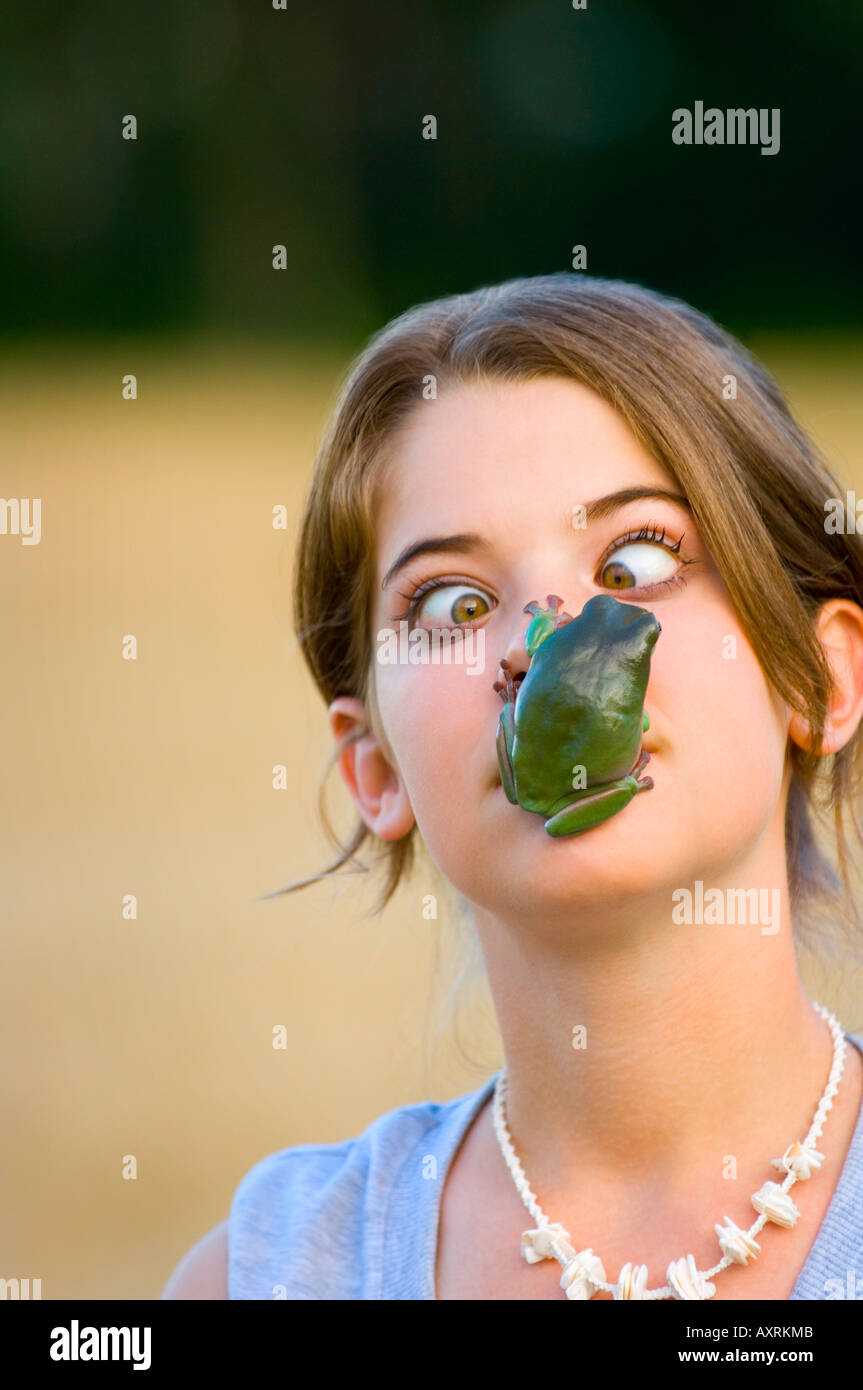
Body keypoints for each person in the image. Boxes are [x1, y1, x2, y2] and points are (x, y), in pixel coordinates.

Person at [163, 273, 863, 1300]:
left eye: (631, 561)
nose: (542, 648)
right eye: (451, 601)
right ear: (376, 768)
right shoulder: (265, 1273)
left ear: (820, 680)